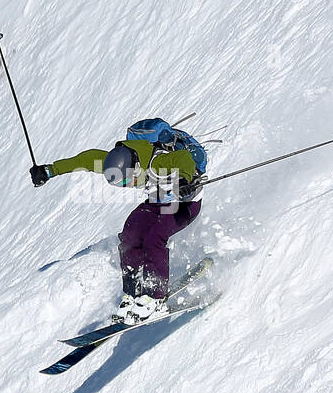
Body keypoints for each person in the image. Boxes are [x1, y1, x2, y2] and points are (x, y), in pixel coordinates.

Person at [30, 119, 207, 324]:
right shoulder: (121, 161)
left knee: (154, 238)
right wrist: (50, 170)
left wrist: (185, 180)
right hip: (158, 199)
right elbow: (88, 159)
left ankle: (156, 298)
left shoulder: (157, 162)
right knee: (130, 234)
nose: (128, 185)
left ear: (135, 167)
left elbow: (183, 158)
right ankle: (132, 294)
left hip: (183, 202)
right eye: (121, 183)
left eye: (128, 180)